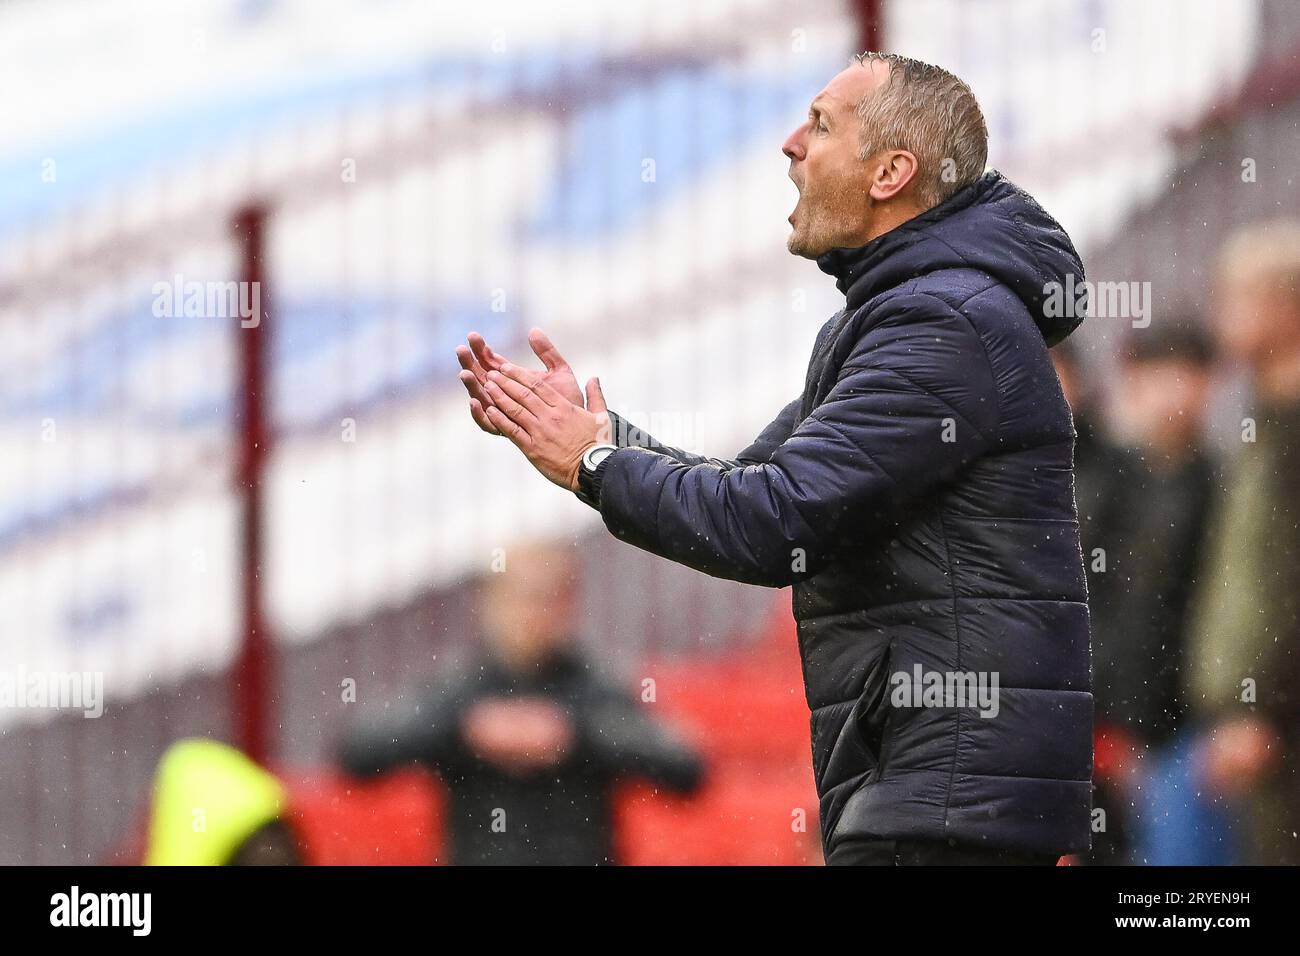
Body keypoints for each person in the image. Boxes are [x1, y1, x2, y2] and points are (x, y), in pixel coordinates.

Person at [457, 53, 1091, 865]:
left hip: (946, 803)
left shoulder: (942, 323)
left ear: (891, 173)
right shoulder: (908, 314)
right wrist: (601, 440)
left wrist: (594, 465)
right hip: (933, 794)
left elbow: (774, 521)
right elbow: (749, 489)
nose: (790, 144)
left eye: (822, 125)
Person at [337, 540, 703, 865]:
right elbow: (358, 753)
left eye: (546, 598)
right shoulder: (459, 689)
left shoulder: (595, 687)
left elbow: (685, 768)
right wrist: (465, 727)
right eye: (520, 596)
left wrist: (573, 734)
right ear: (488, 603)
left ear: (567, 604)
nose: (531, 615)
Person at [1180, 221, 1300, 865]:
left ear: (1286, 306)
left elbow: (1284, 575)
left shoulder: (1292, 426)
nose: (1219, 311)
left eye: (1236, 295)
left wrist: (1265, 710)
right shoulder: (1262, 419)